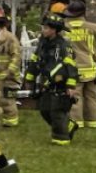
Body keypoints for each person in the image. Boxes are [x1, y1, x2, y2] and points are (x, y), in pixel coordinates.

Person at [24, 13, 78, 145]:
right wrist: (29, 79)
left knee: (57, 111)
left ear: (54, 30)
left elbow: (71, 66)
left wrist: (70, 86)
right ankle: (69, 125)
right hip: (46, 83)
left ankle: (61, 138)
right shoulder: (42, 44)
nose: (43, 30)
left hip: (60, 83)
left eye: (46, 28)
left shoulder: (64, 46)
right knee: (44, 110)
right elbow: (35, 61)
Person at [61, 0, 96, 129]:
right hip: (92, 68)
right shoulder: (93, 28)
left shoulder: (63, 28)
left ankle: (77, 123)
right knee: (92, 96)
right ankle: (93, 122)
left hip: (74, 69)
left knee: (75, 97)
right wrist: (94, 43)